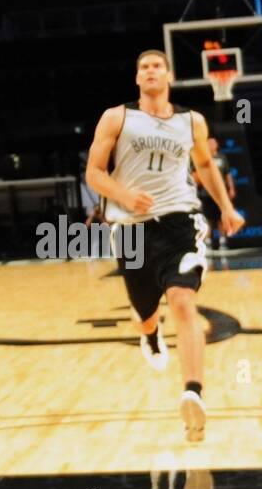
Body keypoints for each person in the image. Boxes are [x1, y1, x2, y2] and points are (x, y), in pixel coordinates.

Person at [85, 49, 244, 443]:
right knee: (145, 311)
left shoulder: (192, 121)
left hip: (180, 221)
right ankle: (150, 332)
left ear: (168, 76)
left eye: (157, 66)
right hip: (132, 229)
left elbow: (204, 166)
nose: (150, 71)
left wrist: (226, 207)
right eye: (143, 67)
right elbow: (93, 172)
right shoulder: (117, 117)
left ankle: (193, 390)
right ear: (137, 79)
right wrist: (123, 194)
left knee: (183, 300)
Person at [197, 136, 236, 253]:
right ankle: (208, 244)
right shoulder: (203, 158)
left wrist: (231, 188)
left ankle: (222, 242)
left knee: (221, 219)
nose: (211, 145)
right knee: (208, 219)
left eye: (213, 143)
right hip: (206, 193)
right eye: (209, 143)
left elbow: (228, 174)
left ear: (217, 145)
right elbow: (197, 174)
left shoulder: (222, 158)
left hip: (220, 194)